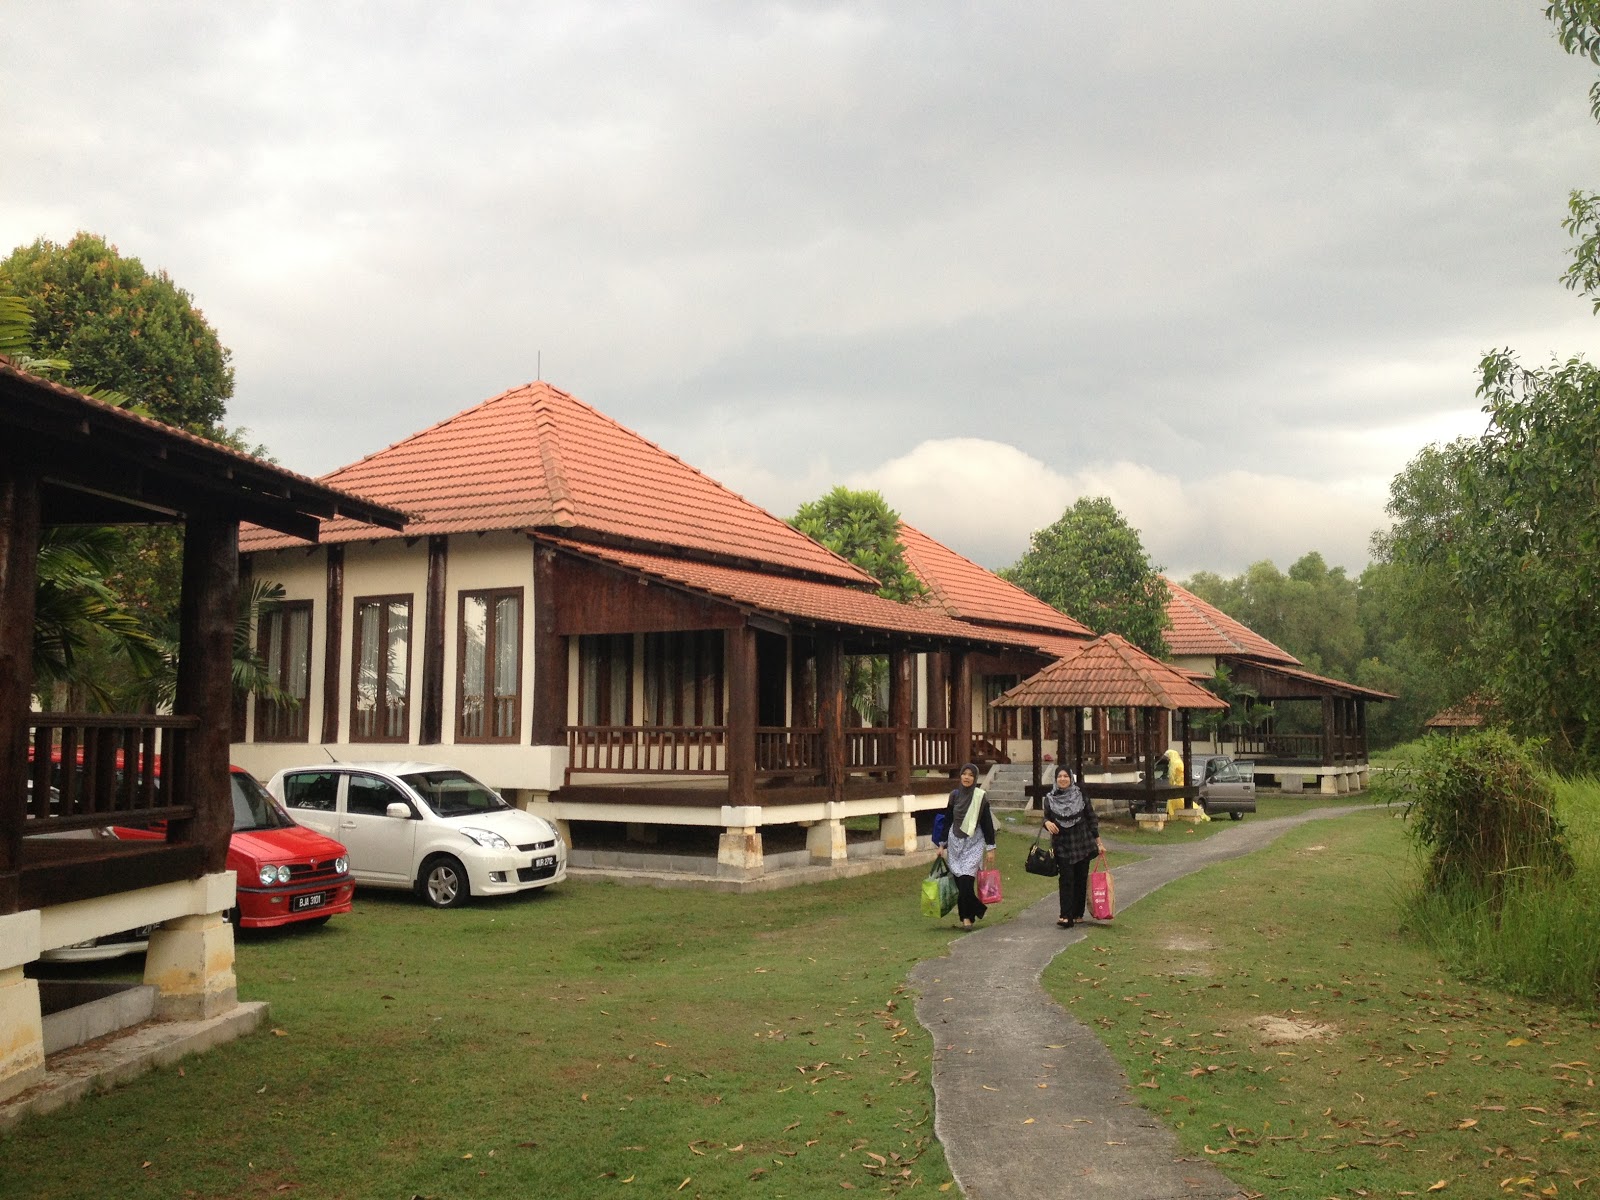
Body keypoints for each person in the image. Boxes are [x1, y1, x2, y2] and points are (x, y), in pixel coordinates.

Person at [934, 763, 996, 930]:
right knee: (959, 883)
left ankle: (968, 917)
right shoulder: (954, 796)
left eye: (971, 775)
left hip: (973, 843)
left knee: (966, 883)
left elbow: (987, 823)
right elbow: (947, 820)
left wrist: (991, 847)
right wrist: (942, 845)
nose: (967, 777)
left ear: (975, 778)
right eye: (964, 774)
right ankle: (972, 913)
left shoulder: (980, 797)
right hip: (955, 843)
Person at [1041, 765, 1104, 928]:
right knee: (1066, 879)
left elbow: (1091, 818)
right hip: (1062, 844)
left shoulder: (1080, 795)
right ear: (1055, 779)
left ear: (1071, 779)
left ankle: (1077, 914)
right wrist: (1046, 823)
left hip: (1082, 842)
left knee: (1080, 878)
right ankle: (1065, 916)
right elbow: (1046, 817)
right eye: (1059, 776)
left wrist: (1098, 842)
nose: (1062, 779)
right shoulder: (1050, 798)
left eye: (1066, 776)